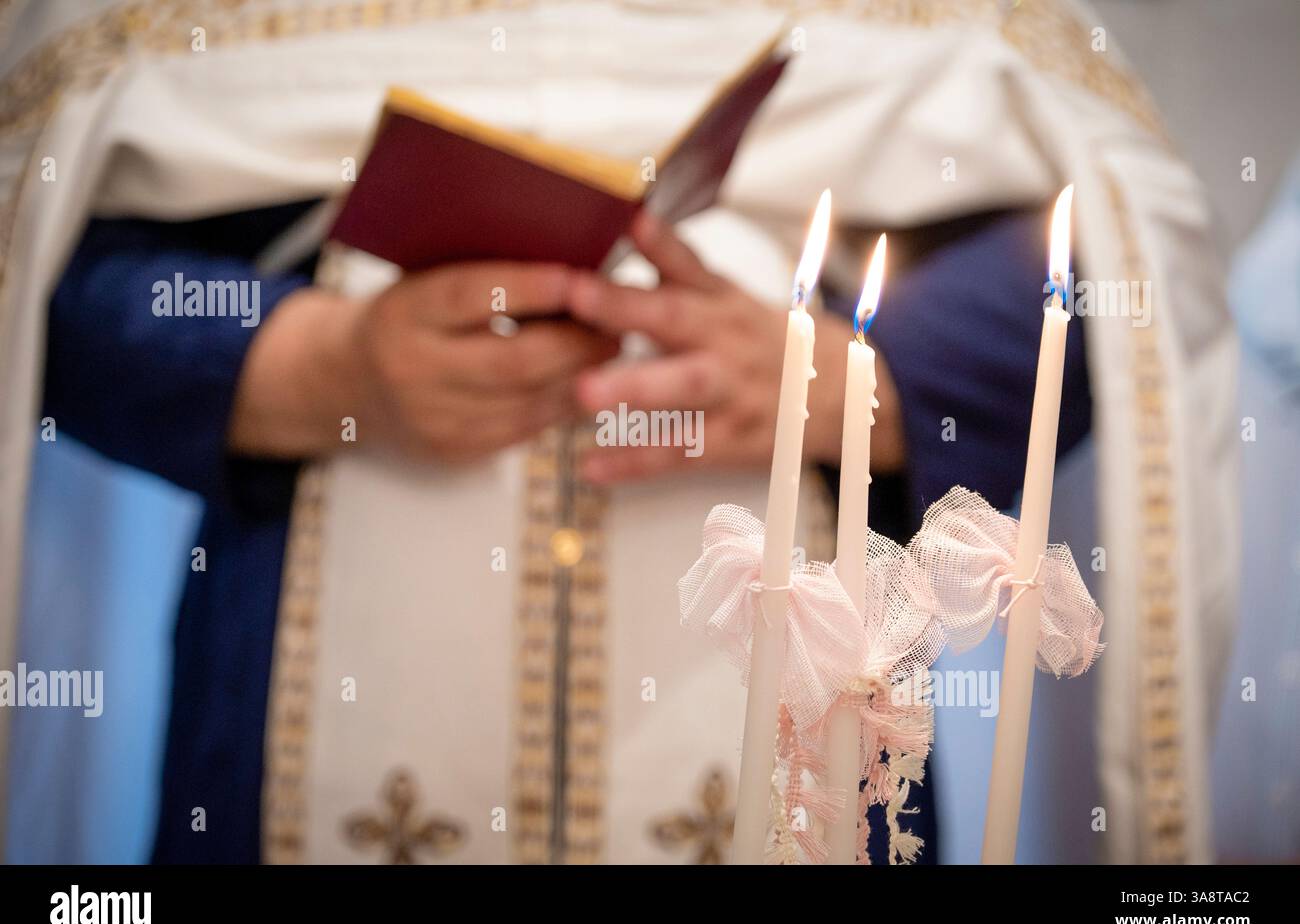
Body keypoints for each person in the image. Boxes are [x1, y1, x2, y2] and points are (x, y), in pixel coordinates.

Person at [0, 0, 1235, 864]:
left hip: (806, 640)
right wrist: (301, 360)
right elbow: (39, 232)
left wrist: (867, 376)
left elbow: (1102, 256)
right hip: (292, 666)